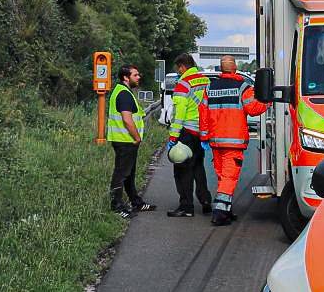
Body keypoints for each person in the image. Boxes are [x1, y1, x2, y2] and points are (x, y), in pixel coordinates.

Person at [201, 56, 266, 225]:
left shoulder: (210, 87)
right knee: (229, 177)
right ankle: (220, 213)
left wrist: (204, 135)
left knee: (222, 177)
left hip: (215, 141)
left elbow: (203, 112)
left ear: (220, 69)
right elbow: (254, 109)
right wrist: (268, 100)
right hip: (233, 142)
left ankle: (226, 210)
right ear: (235, 68)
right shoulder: (242, 87)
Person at [164, 52, 210, 217]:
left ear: (182, 66)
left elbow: (179, 114)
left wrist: (173, 136)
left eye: (179, 69)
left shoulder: (183, 84)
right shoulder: (205, 80)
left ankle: (186, 207)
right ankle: (205, 201)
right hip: (201, 132)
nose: (179, 72)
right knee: (198, 167)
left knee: (182, 170)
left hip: (186, 133)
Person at [107, 64, 155, 216]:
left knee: (129, 173)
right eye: (135, 75)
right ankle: (117, 206)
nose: (139, 77)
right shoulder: (124, 94)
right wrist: (136, 137)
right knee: (121, 174)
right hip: (125, 141)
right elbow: (127, 120)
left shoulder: (123, 91)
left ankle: (136, 202)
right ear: (126, 77)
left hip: (125, 140)